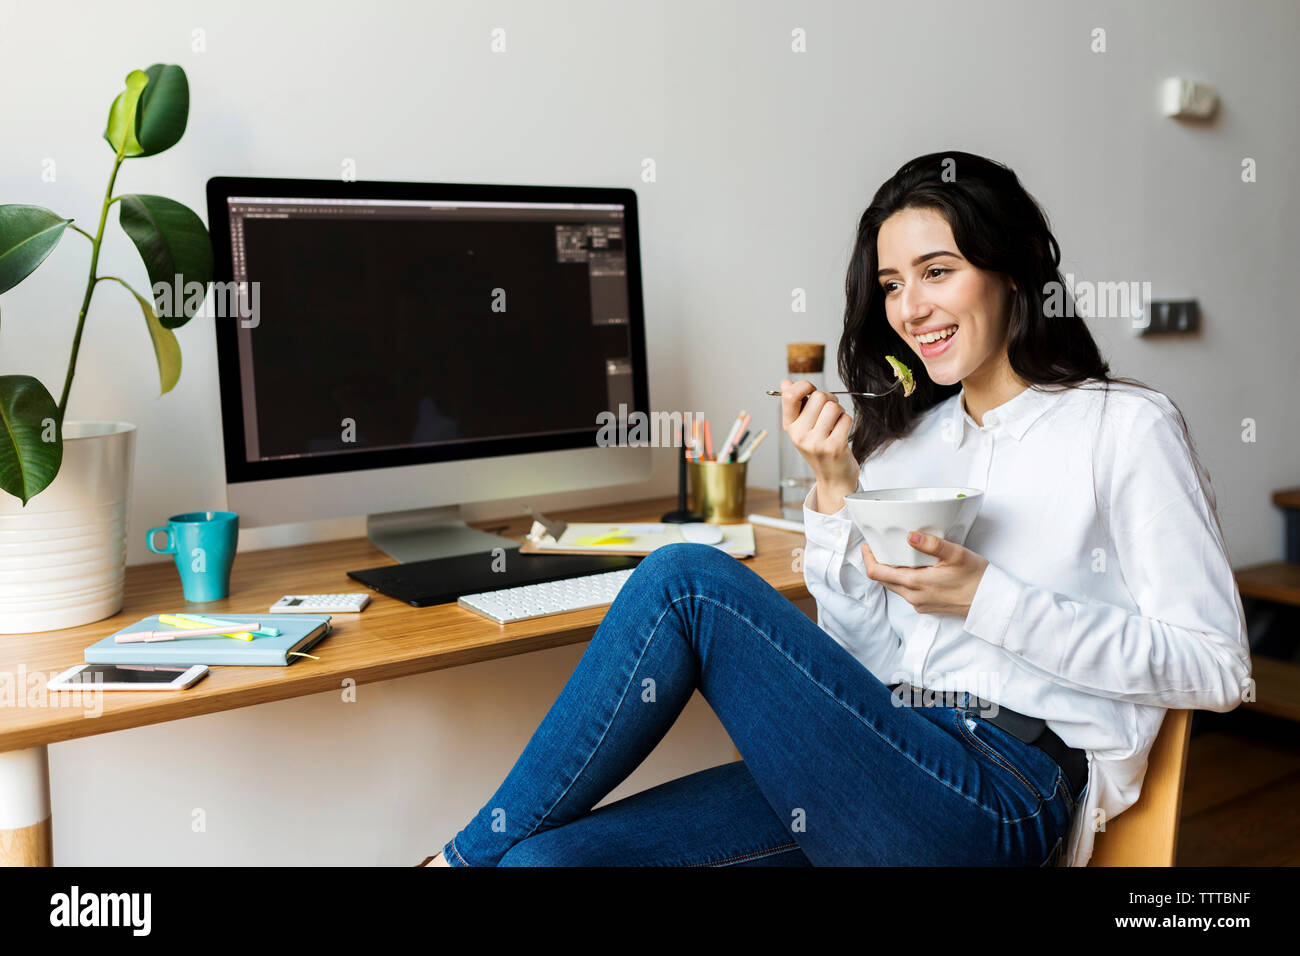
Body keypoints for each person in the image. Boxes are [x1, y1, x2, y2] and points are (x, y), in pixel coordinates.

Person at [418, 151, 1251, 867]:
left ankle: (452, 859)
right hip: (886, 757)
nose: (910, 308)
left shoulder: (1122, 427)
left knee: (686, 582)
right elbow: (867, 657)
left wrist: (987, 600)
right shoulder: (912, 444)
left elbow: (1219, 670)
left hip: (1000, 794)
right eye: (892, 284)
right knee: (542, 859)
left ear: (1016, 266)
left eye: (937, 271)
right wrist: (836, 489)